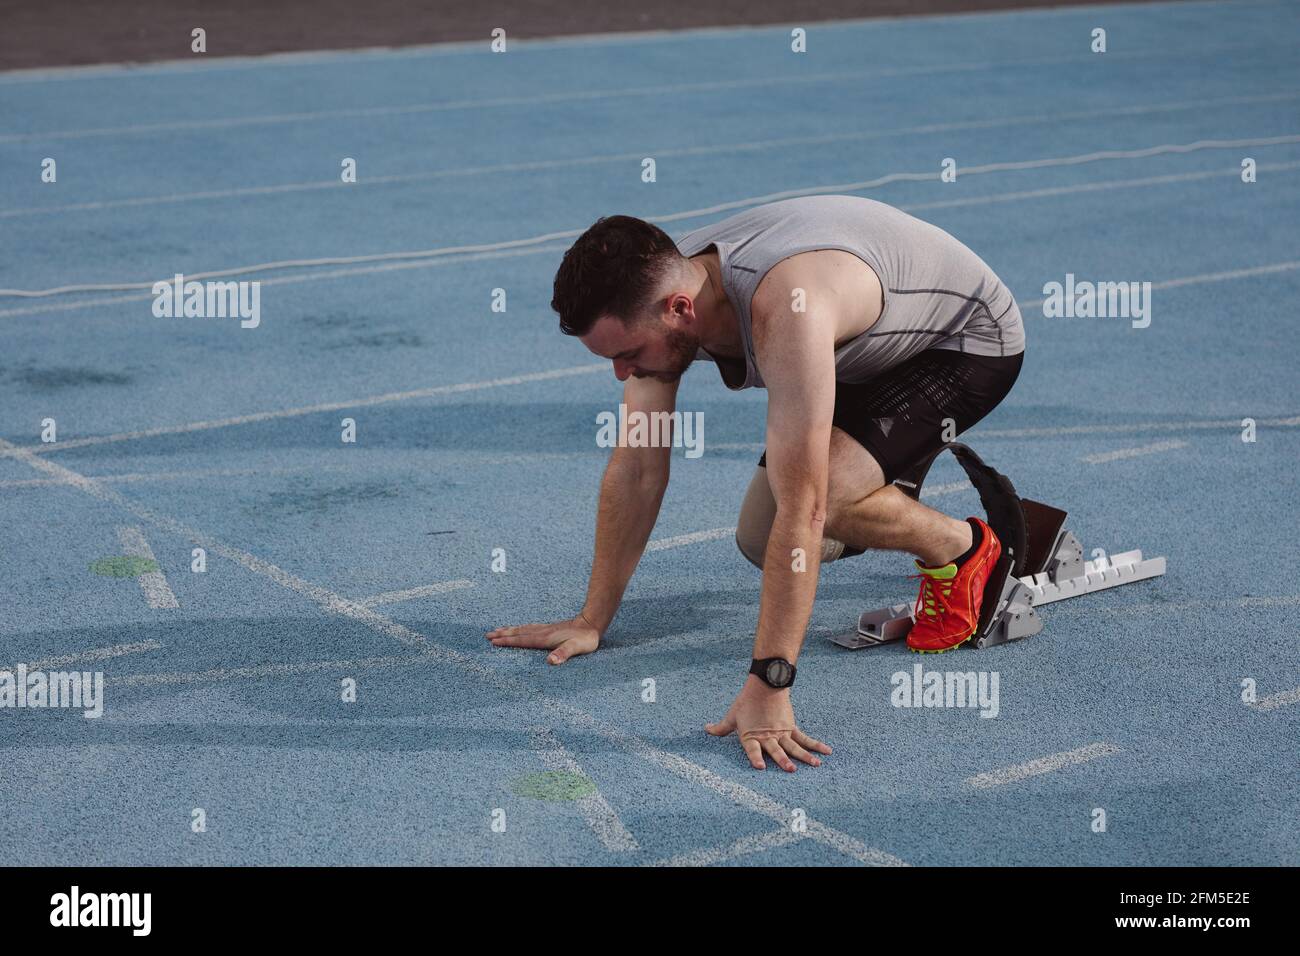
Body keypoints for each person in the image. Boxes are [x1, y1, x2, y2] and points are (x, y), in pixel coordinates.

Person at [487, 195, 1025, 771]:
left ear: (679, 310)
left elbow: (808, 507)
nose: (621, 372)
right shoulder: (665, 283)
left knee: (821, 502)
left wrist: (770, 684)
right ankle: (887, 477)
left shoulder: (786, 308)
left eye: (626, 354)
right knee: (760, 534)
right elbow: (640, 465)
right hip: (858, 347)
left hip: (961, 343)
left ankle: (966, 551)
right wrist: (592, 618)